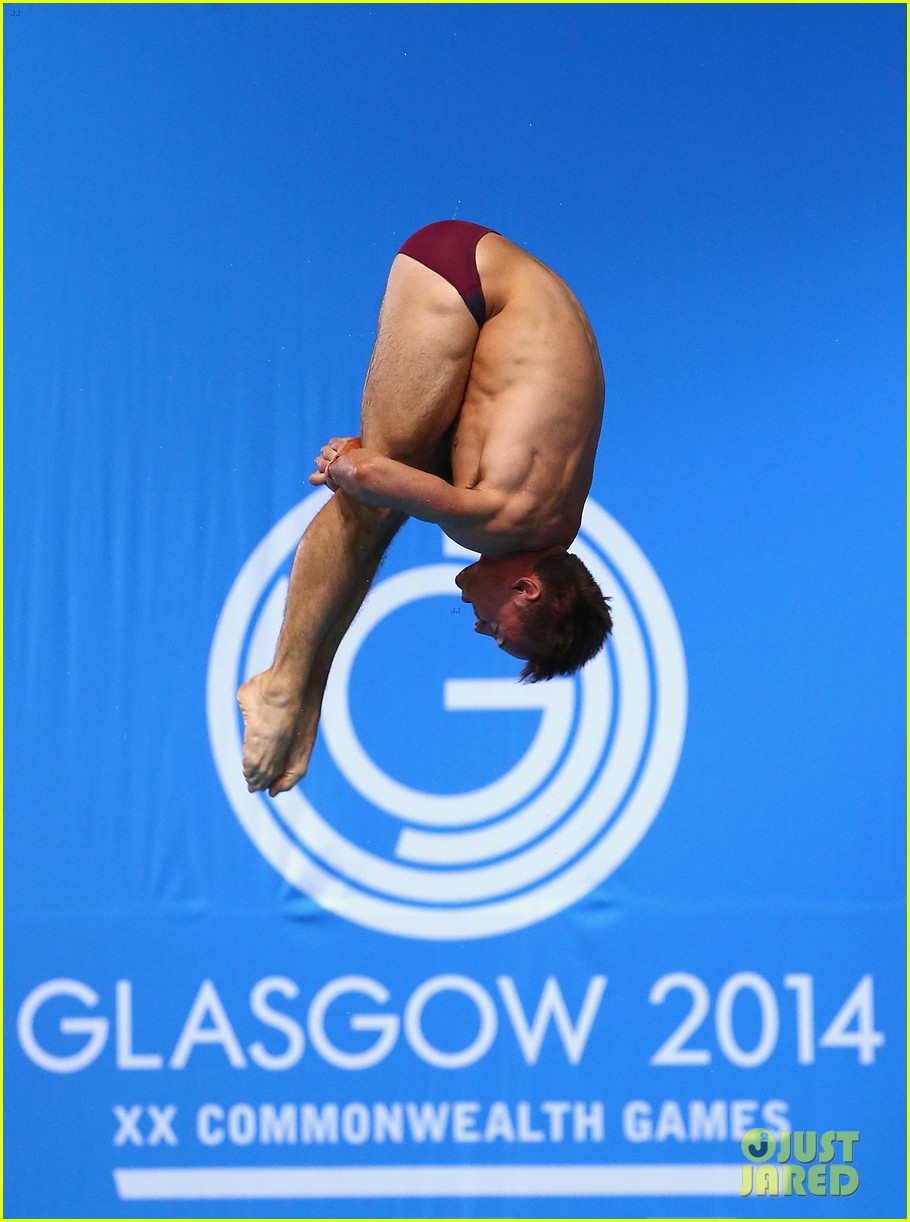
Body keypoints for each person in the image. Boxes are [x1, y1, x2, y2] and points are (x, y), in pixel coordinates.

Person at [239, 220, 612, 796]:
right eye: (497, 631)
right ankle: (286, 685)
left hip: (502, 289)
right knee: (369, 508)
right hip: (461, 277)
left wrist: (369, 458)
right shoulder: (499, 519)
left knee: (389, 493)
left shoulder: (555, 522)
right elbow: (364, 475)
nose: (478, 625)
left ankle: (305, 687)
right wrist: (345, 465)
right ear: (527, 589)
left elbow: (467, 441)